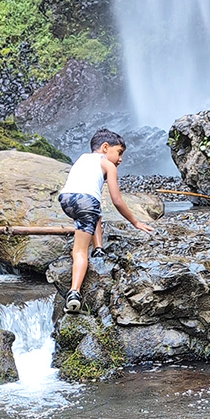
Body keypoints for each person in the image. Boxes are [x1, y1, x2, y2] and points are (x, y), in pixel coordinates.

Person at [58, 129, 154, 313]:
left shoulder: (82, 158)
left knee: (94, 213)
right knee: (79, 251)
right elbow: (117, 200)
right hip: (86, 202)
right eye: (119, 152)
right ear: (105, 147)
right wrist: (135, 222)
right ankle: (74, 292)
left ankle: (99, 248)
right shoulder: (108, 166)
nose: (120, 159)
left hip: (66, 199)